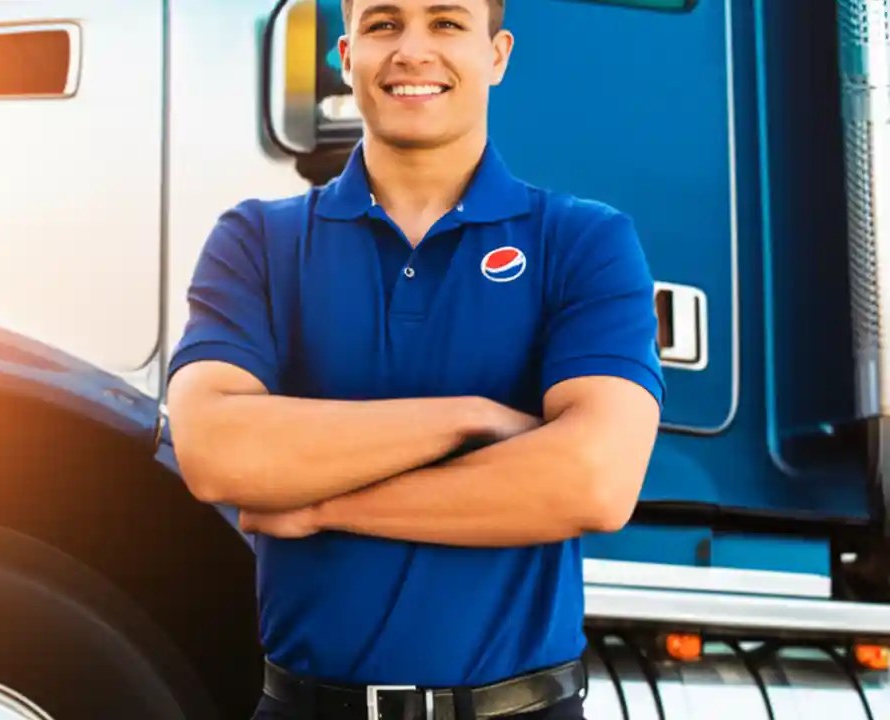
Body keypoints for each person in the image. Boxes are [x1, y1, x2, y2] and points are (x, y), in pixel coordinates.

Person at [164, 0, 665, 717]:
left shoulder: (584, 242)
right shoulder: (258, 242)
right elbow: (215, 453)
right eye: (383, 24)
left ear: (497, 55)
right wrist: (473, 417)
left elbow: (592, 480)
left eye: (447, 23)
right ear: (346, 55)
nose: (412, 51)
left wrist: (319, 503)